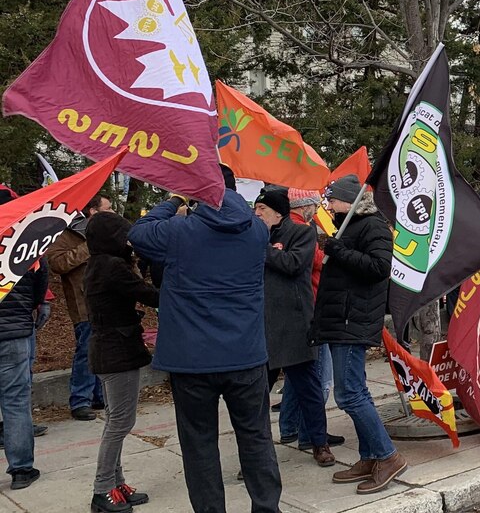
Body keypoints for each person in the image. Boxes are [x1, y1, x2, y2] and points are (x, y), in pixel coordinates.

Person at [127, 165, 282, 511]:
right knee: (256, 439)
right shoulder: (257, 230)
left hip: (191, 359)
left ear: (197, 191)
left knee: (199, 446)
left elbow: (138, 233)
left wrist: (175, 199)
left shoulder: (180, 231)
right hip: (245, 354)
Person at [314, 175, 408, 493]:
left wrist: (339, 250)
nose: (328, 205)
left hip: (352, 321)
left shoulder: (372, 225)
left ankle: (388, 456)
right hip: (342, 320)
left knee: (349, 394)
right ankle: (370, 456)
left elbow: (380, 267)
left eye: (332, 199)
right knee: (357, 392)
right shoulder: (348, 226)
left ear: (349, 200)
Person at [253, 187, 335, 468]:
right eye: (255, 208)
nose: (256, 213)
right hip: (261, 326)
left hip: (293, 324)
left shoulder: (301, 233)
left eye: (262, 209)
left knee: (308, 388)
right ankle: (257, 455)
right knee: (255, 396)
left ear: (278, 212)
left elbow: (293, 264)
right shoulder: (253, 235)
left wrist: (261, 249)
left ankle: (319, 443)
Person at [83, 211, 159, 513]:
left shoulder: (99, 263)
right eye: (124, 236)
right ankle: (102, 489)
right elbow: (149, 295)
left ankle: (116, 483)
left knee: (116, 419)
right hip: (117, 351)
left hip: (109, 349)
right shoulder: (112, 266)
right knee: (120, 422)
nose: (128, 241)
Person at [278, 190, 342, 453]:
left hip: (297, 308)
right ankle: (311, 433)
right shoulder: (303, 230)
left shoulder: (282, 228)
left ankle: (289, 427)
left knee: (297, 376)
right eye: (315, 205)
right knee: (319, 378)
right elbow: (316, 262)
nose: (317, 211)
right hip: (312, 304)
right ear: (305, 205)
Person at [44, 195, 111, 421]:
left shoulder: (106, 230)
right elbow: (58, 264)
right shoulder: (63, 234)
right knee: (86, 350)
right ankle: (80, 400)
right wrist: (88, 247)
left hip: (108, 300)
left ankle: (99, 396)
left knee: (105, 350)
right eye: (108, 208)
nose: (112, 213)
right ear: (93, 211)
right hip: (84, 303)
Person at [0, 264, 47, 490]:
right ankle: (21, 470)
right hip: (14, 330)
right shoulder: (23, 246)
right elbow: (40, 280)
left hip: (15, 327)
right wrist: (32, 305)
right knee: (16, 401)